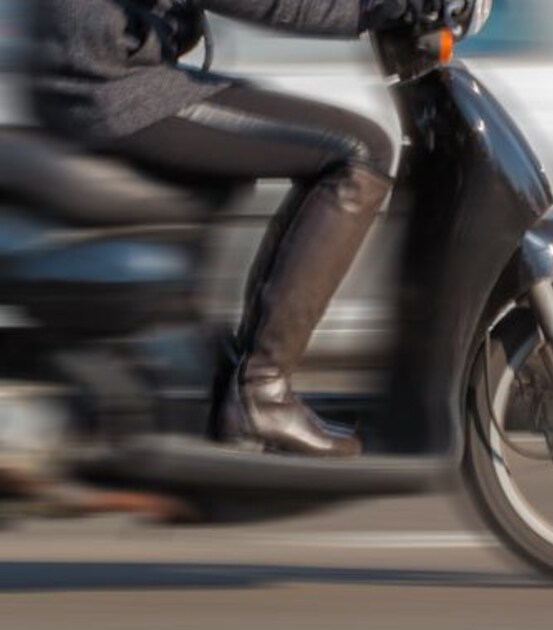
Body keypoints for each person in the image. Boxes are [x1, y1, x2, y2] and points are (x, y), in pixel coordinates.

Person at [29, 0, 435, 457]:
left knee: (263, 116)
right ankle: (262, 392)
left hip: (96, 76)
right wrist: (374, 8)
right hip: (110, 88)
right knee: (361, 149)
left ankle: (225, 376)